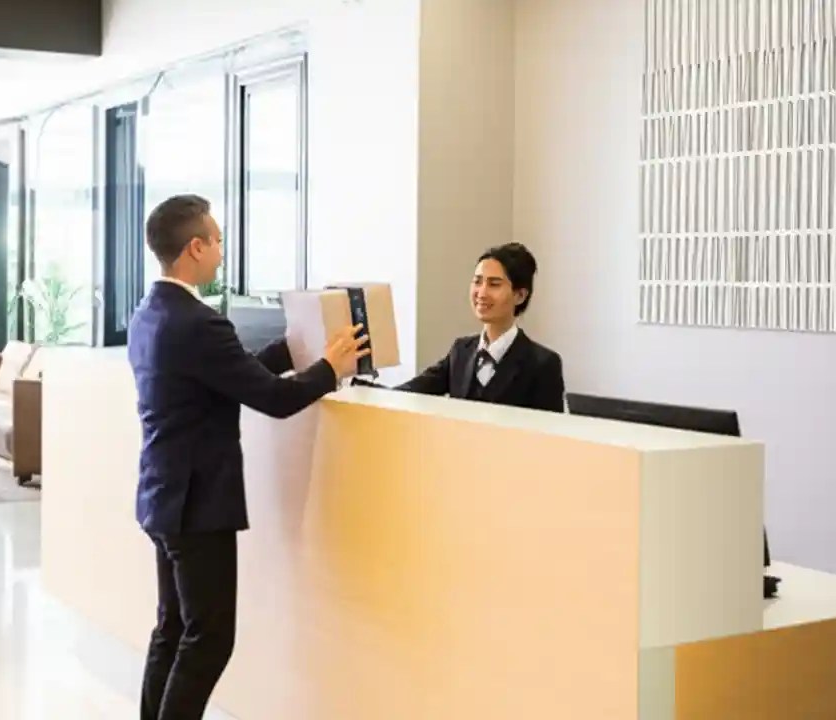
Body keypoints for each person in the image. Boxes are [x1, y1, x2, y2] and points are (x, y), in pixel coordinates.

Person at [127, 194, 369, 720]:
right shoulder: (198, 322)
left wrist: (293, 345)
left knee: (173, 629)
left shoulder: (151, 313)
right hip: (198, 505)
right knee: (209, 639)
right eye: (215, 241)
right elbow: (275, 400)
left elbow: (228, 375)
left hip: (163, 494)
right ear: (194, 247)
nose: (220, 251)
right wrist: (330, 367)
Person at [394, 242, 564, 411]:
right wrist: (368, 378)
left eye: (494, 284)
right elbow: (409, 392)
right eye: (477, 282)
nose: (481, 293)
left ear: (520, 296)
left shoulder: (543, 364)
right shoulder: (461, 351)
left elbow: (549, 433)